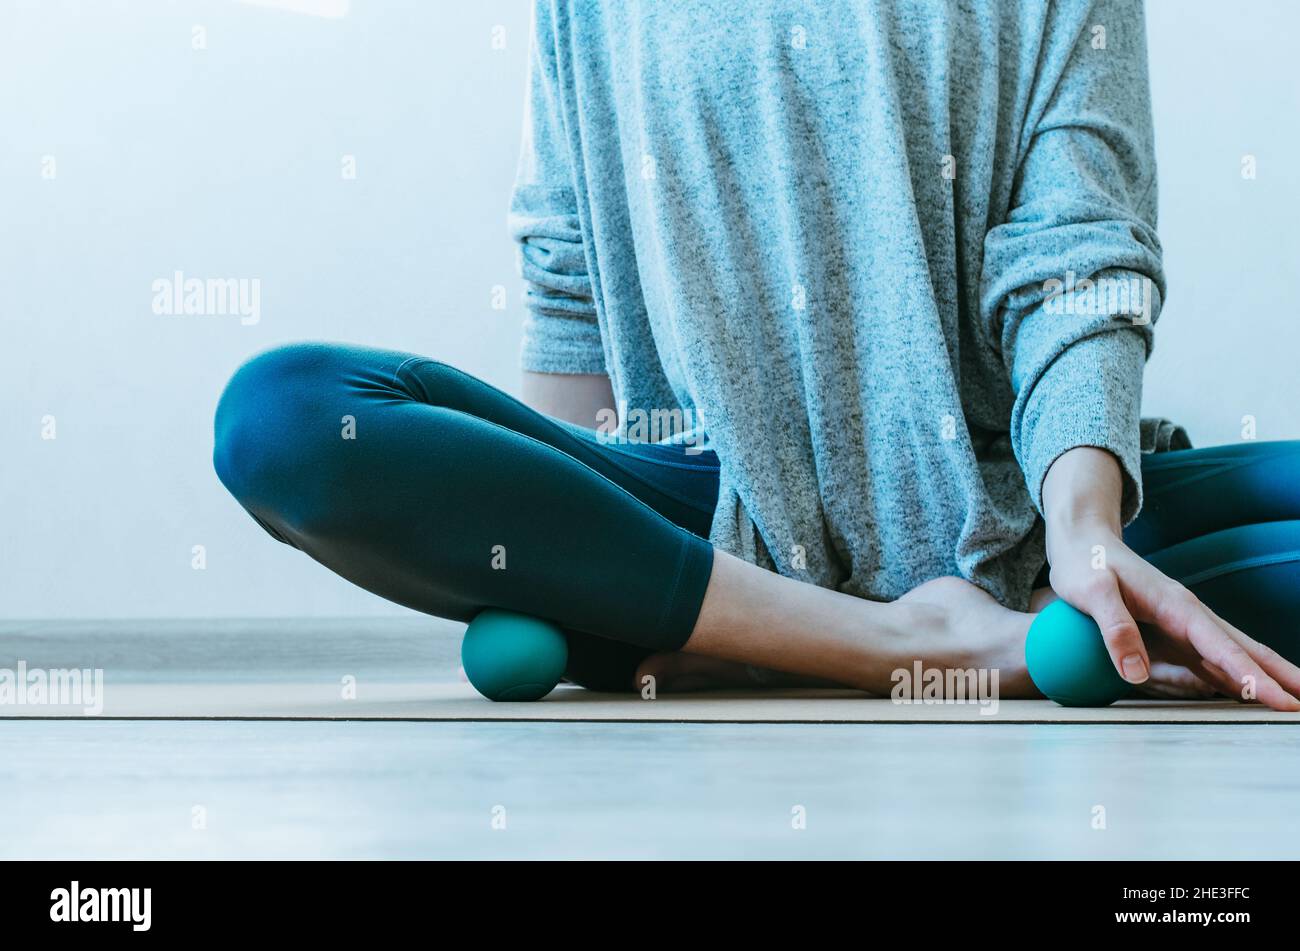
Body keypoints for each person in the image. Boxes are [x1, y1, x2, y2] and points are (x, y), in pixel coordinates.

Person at [212, 0, 1300, 709]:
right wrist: (566, 548)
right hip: (713, 519)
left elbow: (1075, 261)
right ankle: (896, 647)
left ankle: (752, 643)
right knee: (282, 415)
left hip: (1028, 529)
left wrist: (1083, 532)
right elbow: (571, 276)